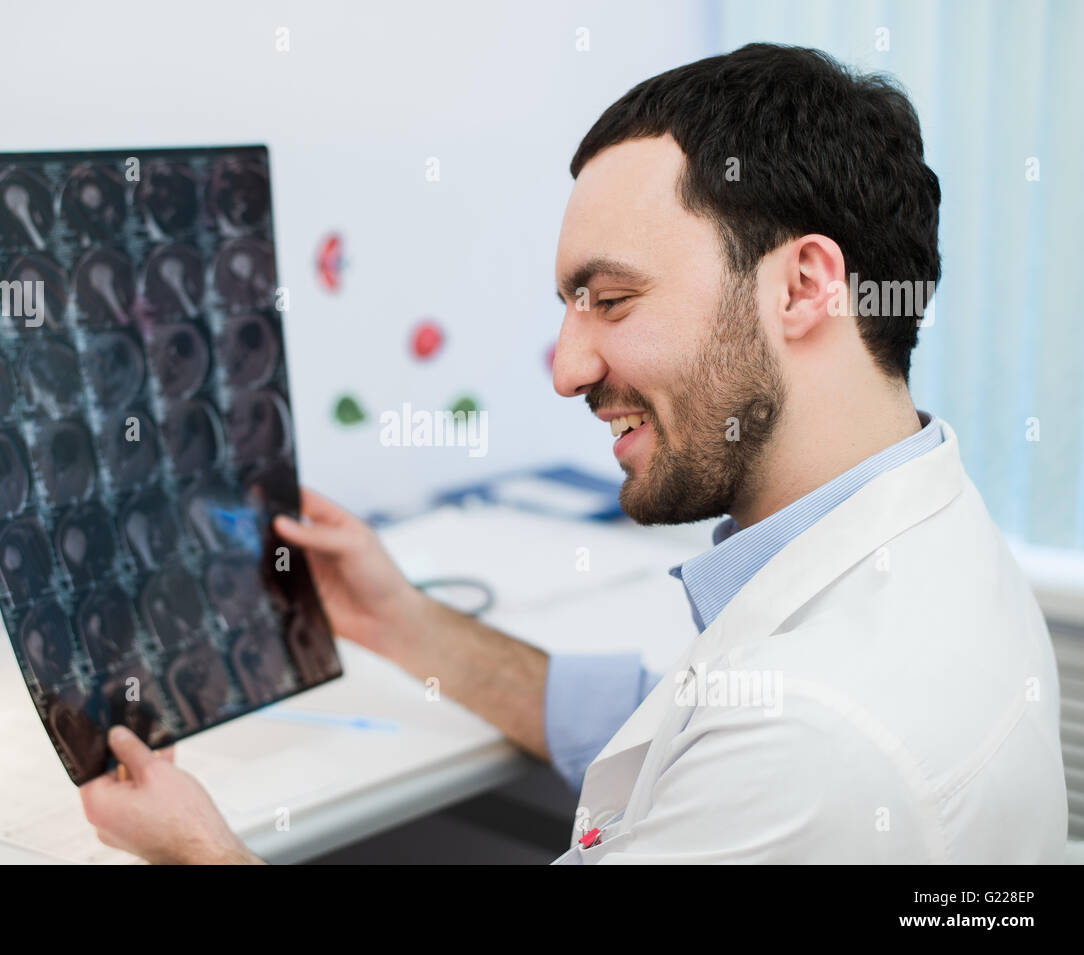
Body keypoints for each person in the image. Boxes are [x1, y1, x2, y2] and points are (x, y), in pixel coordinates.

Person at [79, 43, 1067, 864]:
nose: (565, 366)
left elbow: (744, 750)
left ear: (804, 285)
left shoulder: (810, 750)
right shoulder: (922, 528)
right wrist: (405, 624)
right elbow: (672, 723)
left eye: (612, 298)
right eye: (566, 304)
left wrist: (205, 854)